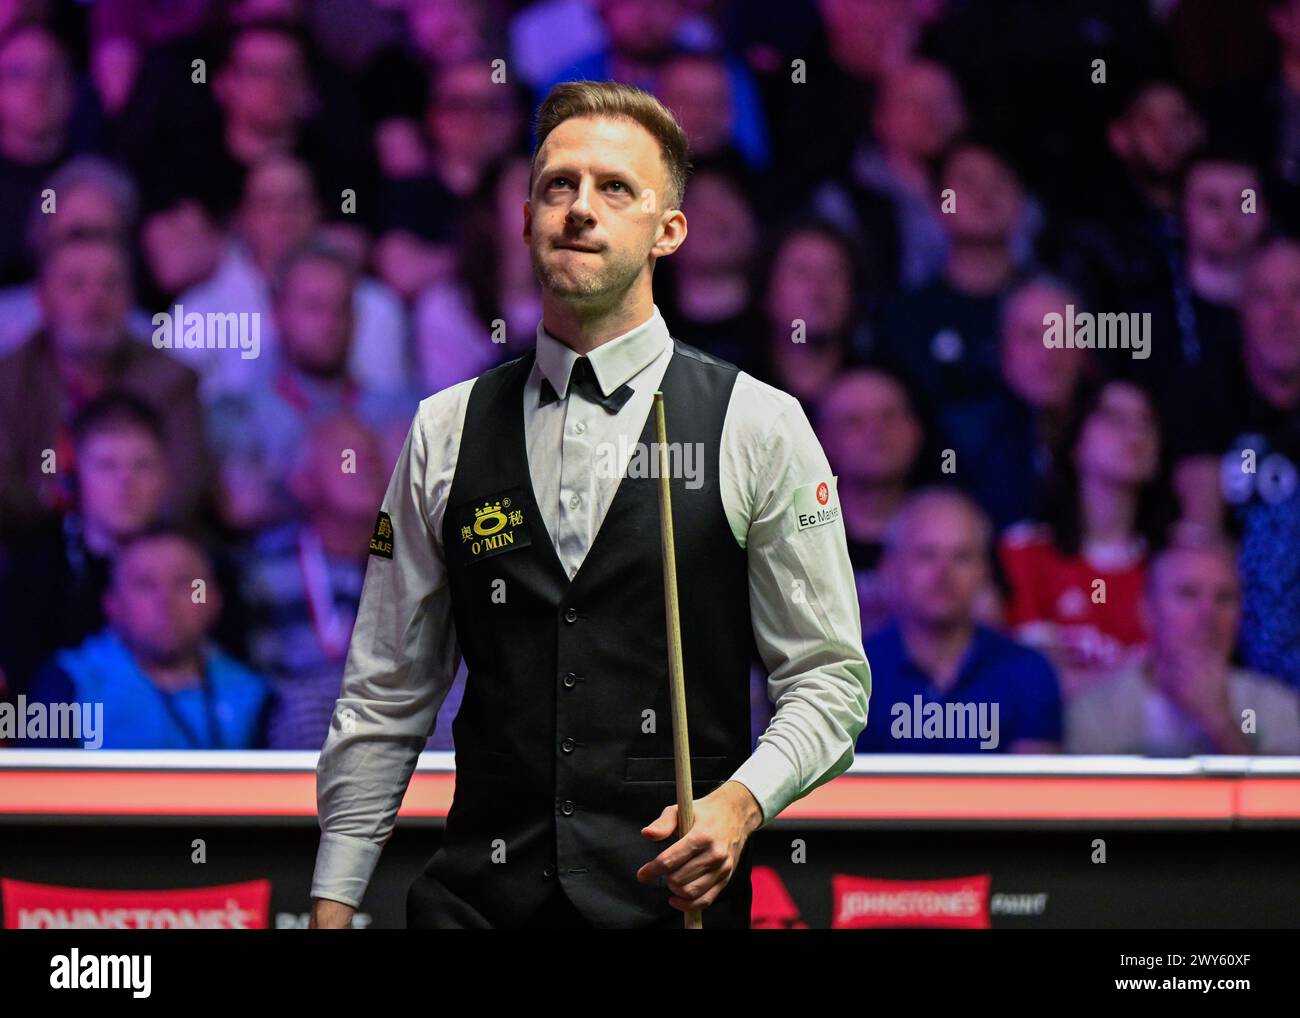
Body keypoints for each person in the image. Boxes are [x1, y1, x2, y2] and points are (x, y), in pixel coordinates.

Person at [309, 81, 870, 930]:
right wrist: (334, 898)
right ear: (526, 217)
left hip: (664, 912)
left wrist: (740, 805)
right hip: (475, 909)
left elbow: (829, 679)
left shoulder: (758, 425)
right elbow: (386, 693)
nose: (579, 208)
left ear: (669, 229)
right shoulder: (445, 430)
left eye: (615, 188)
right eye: (557, 185)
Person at [0, 229, 210, 538]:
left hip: (141, 555)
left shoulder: (172, 380)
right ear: (43, 298)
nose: (95, 298)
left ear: (129, 298)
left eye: (110, 284)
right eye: (76, 284)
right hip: (28, 555)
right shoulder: (9, 381)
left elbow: (180, 497)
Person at [24, 527, 272, 750]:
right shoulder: (68, 683)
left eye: (185, 583)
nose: (165, 601)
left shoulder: (254, 695)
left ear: (215, 601)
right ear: (113, 605)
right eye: (145, 585)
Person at [855, 488, 1062, 754]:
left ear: (984, 572)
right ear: (890, 568)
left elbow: (1037, 792)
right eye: (926, 554)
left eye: (962, 556)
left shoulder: (1029, 674)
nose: (943, 573)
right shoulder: (854, 676)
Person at [999, 379, 1168, 698]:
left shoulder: (1176, 560)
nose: (1135, 433)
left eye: (1147, 422)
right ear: (1075, 442)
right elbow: (1033, 681)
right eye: (1114, 418)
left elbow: (1186, 681)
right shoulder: (1024, 550)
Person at [0, 392, 168, 700]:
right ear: (76, 474)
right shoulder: (32, 575)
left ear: (165, 476)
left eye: (142, 465)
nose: (125, 482)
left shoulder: (200, 571)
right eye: (107, 465)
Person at [240, 413, 389, 750]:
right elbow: (259, 680)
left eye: (373, 457)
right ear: (303, 481)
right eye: (346, 456)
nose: (364, 467)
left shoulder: (415, 560)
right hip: (299, 736)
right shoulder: (261, 570)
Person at [1067, 540, 1300, 755]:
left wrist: (1221, 723)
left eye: (1224, 598)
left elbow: (1278, 800)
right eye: (1188, 593)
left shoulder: (1274, 707)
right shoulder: (1096, 711)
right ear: (1147, 610)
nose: (1208, 614)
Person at [939, 274, 1089, 532]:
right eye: (1031, 336)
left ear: (1084, 351)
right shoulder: (960, 439)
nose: (1048, 353)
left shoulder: (1106, 430)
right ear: (1003, 349)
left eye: (1061, 335)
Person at [816, 368, 924, 638]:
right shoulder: (796, 537)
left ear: (915, 432)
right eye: (853, 421)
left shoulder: (955, 530)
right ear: (822, 440)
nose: (875, 432)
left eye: (889, 417)